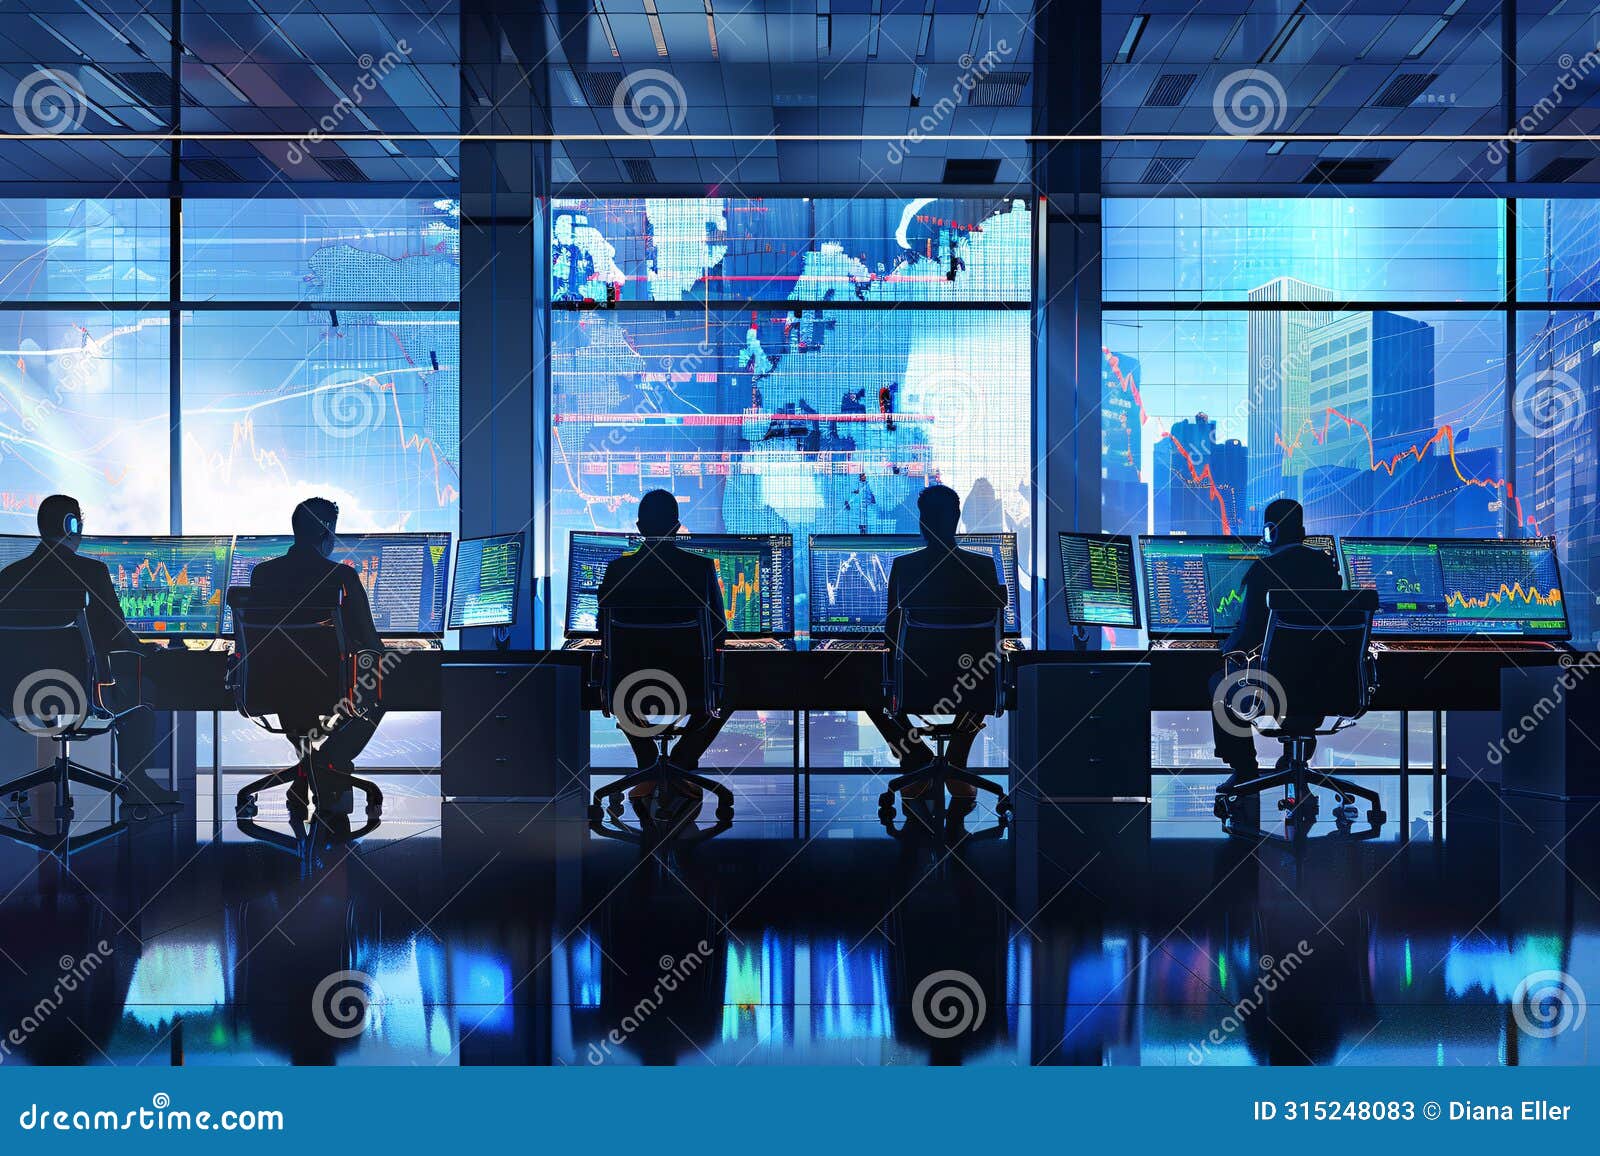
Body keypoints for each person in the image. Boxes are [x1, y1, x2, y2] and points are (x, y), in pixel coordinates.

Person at [0, 494, 177, 805]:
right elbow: (120, 637)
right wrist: (151, 651)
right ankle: (135, 783)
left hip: (15, 697)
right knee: (143, 691)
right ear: (72, 525)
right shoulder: (91, 572)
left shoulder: (9, 577)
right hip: (81, 697)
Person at [247, 498, 385, 807]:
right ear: (327, 533)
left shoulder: (262, 575)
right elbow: (370, 642)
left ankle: (313, 768)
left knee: (293, 688)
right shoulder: (341, 577)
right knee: (381, 688)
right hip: (329, 687)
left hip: (271, 685)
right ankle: (328, 764)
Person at [871, 484, 1007, 799]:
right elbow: (992, 636)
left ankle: (915, 758)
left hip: (916, 683)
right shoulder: (983, 566)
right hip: (971, 682)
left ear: (921, 521)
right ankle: (957, 758)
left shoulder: (904, 567)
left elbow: (891, 635)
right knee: (987, 670)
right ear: (957, 518)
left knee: (866, 689)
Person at [596, 489, 728, 796]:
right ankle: (681, 762)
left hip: (629, 688)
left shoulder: (617, 571)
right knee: (732, 686)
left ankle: (647, 762)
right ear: (676, 527)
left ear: (639, 527)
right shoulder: (700, 569)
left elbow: (604, 631)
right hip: (692, 687)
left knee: (618, 683)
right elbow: (719, 630)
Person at [1210, 497, 1341, 790]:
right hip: (1326, 682)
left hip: (1272, 687)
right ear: (1303, 531)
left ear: (1271, 531)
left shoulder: (1263, 571)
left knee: (1222, 683)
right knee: (1302, 679)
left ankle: (1244, 769)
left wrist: (1224, 647)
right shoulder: (1328, 569)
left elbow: (1246, 637)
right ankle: (1296, 763)